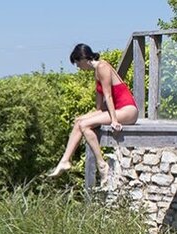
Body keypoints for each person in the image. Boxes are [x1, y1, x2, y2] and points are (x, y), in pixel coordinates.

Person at [48, 43, 140, 179]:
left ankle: (101, 164)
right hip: (117, 109)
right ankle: (65, 161)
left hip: (128, 110)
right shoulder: (96, 72)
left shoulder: (102, 67)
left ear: (84, 59)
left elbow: (108, 96)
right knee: (79, 121)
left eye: (78, 64)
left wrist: (114, 121)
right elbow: (99, 107)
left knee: (84, 125)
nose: (79, 68)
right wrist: (86, 116)